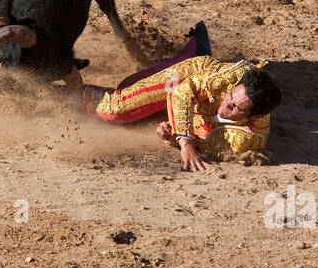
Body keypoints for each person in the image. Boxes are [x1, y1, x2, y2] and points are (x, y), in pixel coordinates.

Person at [78, 26, 281, 171]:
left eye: (235, 108)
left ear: (253, 116)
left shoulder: (247, 140)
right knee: (117, 109)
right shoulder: (226, 79)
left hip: (200, 106)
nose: (225, 105)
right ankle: (67, 94)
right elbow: (181, 93)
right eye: (229, 96)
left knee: (151, 116)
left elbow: (206, 142)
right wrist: (184, 142)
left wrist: (170, 138)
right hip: (193, 75)